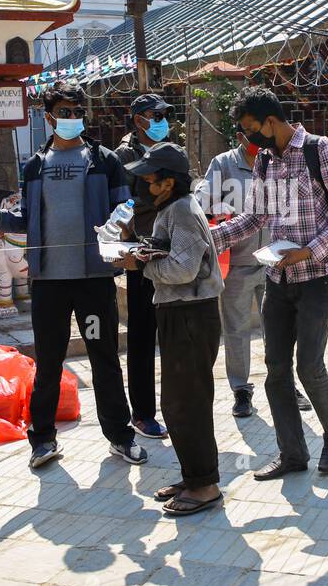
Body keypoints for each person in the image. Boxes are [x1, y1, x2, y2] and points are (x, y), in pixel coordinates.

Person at [0, 85, 147, 469]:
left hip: (93, 281)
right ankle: (43, 441)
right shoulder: (34, 165)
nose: (71, 117)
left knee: (104, 359)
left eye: (77, 110)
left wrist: (122, 225)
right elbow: (27, 218)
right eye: (63, 111)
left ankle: (120, 436)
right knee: (48, 362)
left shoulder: (104, 160)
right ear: (48, 117)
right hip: (48, 283)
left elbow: (126, 207)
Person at [210, 86, 328, 478]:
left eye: (250, 128)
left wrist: (310, 250)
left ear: (271, 121)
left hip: (317, 277)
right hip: (277, 278)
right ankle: (292, 454)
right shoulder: (265, 162)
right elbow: (253, 218)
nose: (247, 137)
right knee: (276, 368)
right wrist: (206, 240)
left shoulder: (319, 150)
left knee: (309, 366)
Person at [115, 143, 225, 516]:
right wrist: (143, 251)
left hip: (191, 314)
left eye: (150, 178)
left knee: (187, 402)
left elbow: (183, 270)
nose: (144, 183)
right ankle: (194, 476)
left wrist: (139, 266)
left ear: (168, 182)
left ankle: (205, 486)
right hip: (180, 312)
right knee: (178, 402)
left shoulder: (181, 210)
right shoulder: (171, 209)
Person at [197, 128, 313, 418]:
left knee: (279, 329)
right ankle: (241, 390)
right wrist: (220, 210)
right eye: (253, 136)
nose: (261, 142)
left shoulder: (278, 161)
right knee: (236, 330)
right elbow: (202, 202)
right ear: (240, 136)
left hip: (276, 261)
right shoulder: (223, 164)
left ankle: (286, 383)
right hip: (236, 263)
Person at [112, 93, 173, 440]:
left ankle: (176, 406)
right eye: (155, 114)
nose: (163, 120)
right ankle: (143, 413)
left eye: (166, 114)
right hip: (141, 255)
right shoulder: (124, 156)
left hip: (172, 252)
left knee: (174, 333)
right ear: (138, 120)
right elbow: (121, 208)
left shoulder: (169, 150)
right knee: (141, 337)